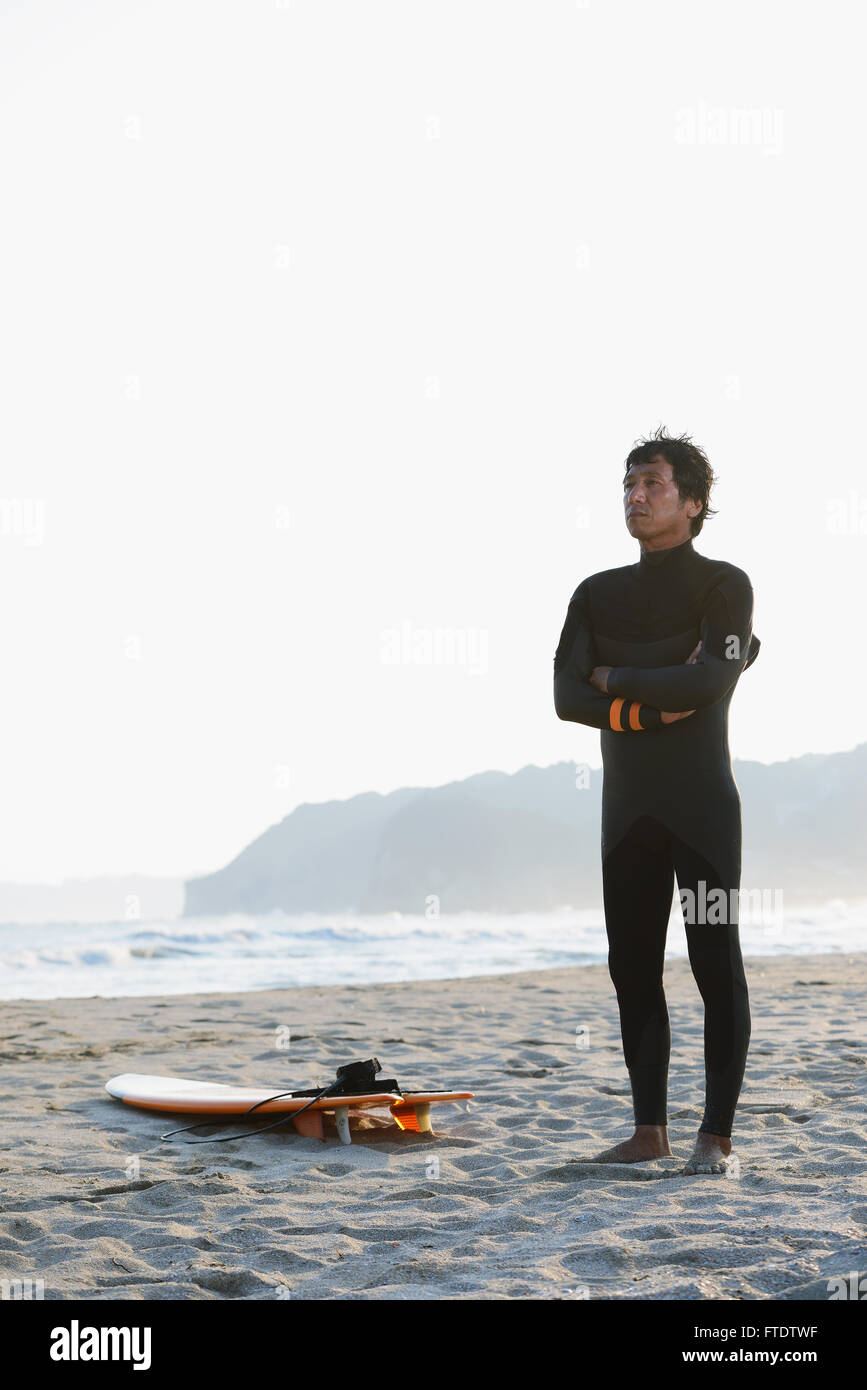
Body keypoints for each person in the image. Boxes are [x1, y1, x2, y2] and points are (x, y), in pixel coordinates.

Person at [553, 427, 760, 1175]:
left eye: (652, 485)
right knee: (632, 967)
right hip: (627, 817)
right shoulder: (596, 593)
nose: (635, 497)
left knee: (714, 964)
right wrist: (646, 698)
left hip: (701, 810)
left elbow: (707, 685)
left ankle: (715, 1138)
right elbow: (562, 695)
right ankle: (648, 1132)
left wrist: (612, 674)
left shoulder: (723, 585)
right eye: (628, 486)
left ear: (693, 502)